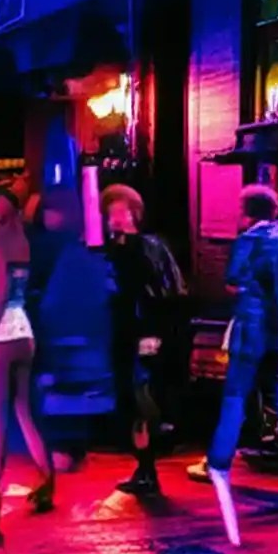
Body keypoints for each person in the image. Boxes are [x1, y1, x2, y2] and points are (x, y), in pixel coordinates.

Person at [191, 185, 278, 544]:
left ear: (247, 210)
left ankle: (218, 461)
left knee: (235, 396)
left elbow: (232, 282)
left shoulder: (249, 238)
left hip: (251, 328)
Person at [0, 189, 54, 527]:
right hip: (24, 332)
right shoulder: (24, 241)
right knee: (24, 412)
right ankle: (47, 482)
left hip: (1, 334)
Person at [102, 184, 187, 497]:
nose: (115, 219)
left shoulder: (142, 248)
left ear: (134, 214)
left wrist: (151, 332)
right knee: (133, 398)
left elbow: (156, 292)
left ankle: (148, 468)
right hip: (130, 332)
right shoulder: (120, 249)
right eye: (110, 213)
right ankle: (145, 468)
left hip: (143, 331)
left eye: (120, 212)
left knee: (141, 398)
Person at [31, 187, 115, 474]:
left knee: (65, 391)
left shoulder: (63, 248)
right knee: (67, 391)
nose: (48, 216)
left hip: (67, 332)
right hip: (68, 332)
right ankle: (67, 448)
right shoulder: (72, 247)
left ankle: (65, 449)